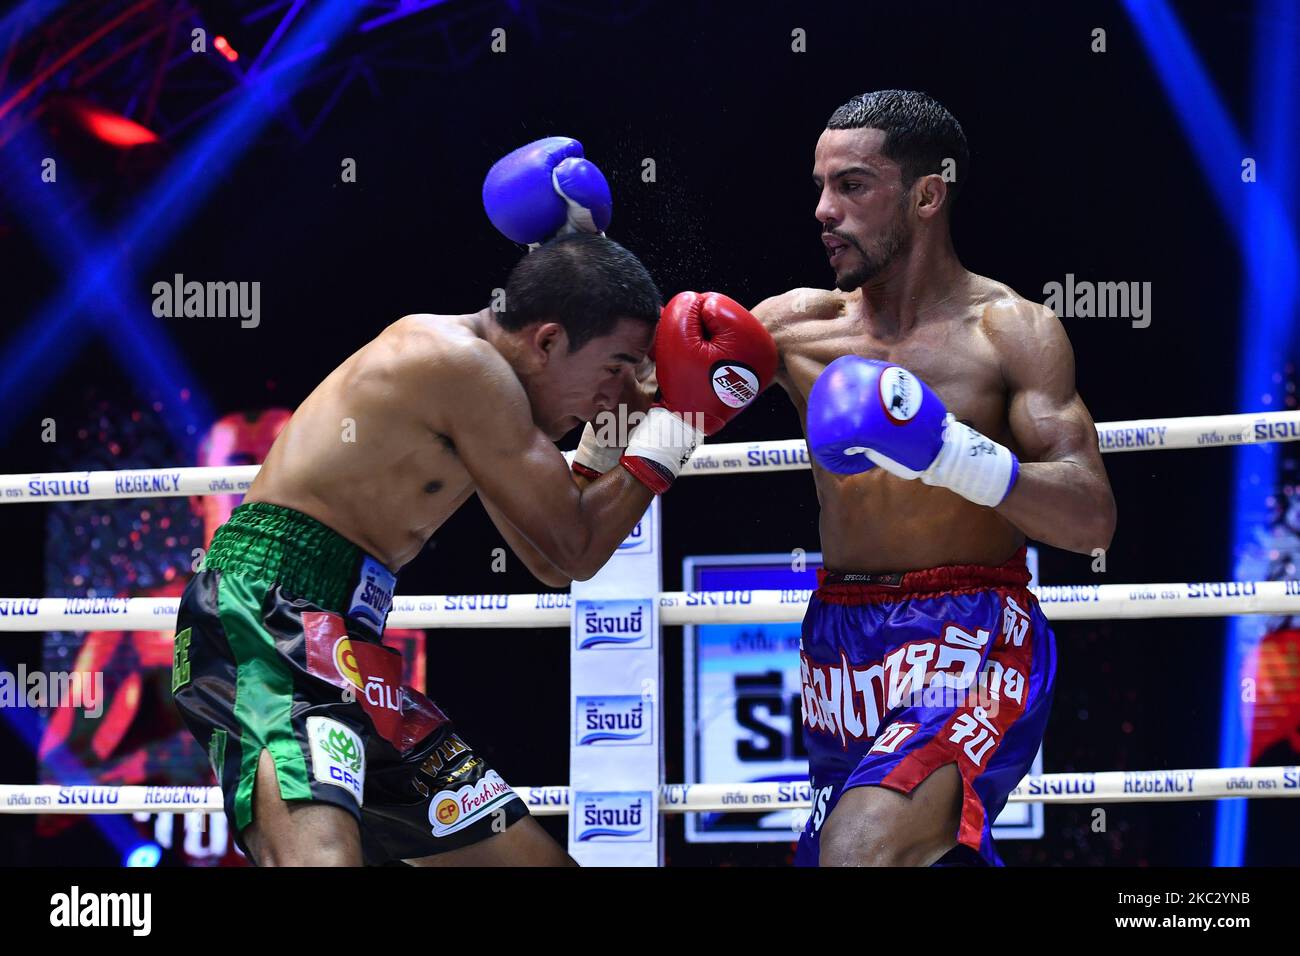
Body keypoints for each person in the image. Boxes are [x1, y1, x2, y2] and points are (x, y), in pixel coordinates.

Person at [171, 138, 778, 866]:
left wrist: (636, 431)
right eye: (616, 368)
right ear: (549, 339)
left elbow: (556, 560)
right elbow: (578, 544)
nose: (616, 398)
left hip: (348, 642)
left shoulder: (494, 403)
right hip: (266, 611)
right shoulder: (460, 365)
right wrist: (681, 424)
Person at [749, 90, 1116, 866]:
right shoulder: (791, 328)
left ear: (926, 193)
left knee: (859, 851)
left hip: (975, 631)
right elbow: (637, 399)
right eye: (819, 187)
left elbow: (1091, 520)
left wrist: (950, 453)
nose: (823, 210)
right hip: (839, 639)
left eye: (851, 185)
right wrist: (576, 256)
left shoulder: (1009, 331)